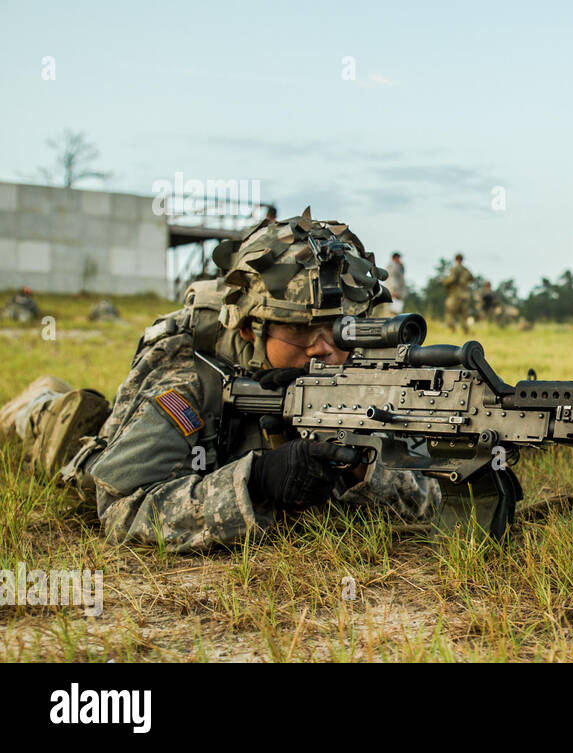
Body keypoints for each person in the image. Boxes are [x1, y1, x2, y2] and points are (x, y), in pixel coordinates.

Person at [0, 209, 503, 553]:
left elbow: (427, 491)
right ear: (249, 326)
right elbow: (121, 506)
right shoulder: (188, 379)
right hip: (76, 430)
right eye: (303, 330)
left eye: (340, 330)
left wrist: (361, 472)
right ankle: (36, 402)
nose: (325, 349)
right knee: (63, 425)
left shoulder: (360, 373)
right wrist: (256, 481)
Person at [442, 253, 473, 334]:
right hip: (465, 295)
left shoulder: (455, 269)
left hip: (455, 295)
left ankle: (453, 330)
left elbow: (452, 279)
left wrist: (444, 282)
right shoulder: (466, 270)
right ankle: (466, 331)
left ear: (456, 259)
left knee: (449, 313)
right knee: (463, 316)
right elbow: (472, 278)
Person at [376, 251, 408, 316]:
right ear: (395, 258)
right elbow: (391, 280)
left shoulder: (399, 266)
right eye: (398, 258)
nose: (399, 260)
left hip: (397, 292)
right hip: (393, 292)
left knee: (396, 313)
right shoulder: (392, 267)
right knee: (390, 313)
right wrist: (393, 291)